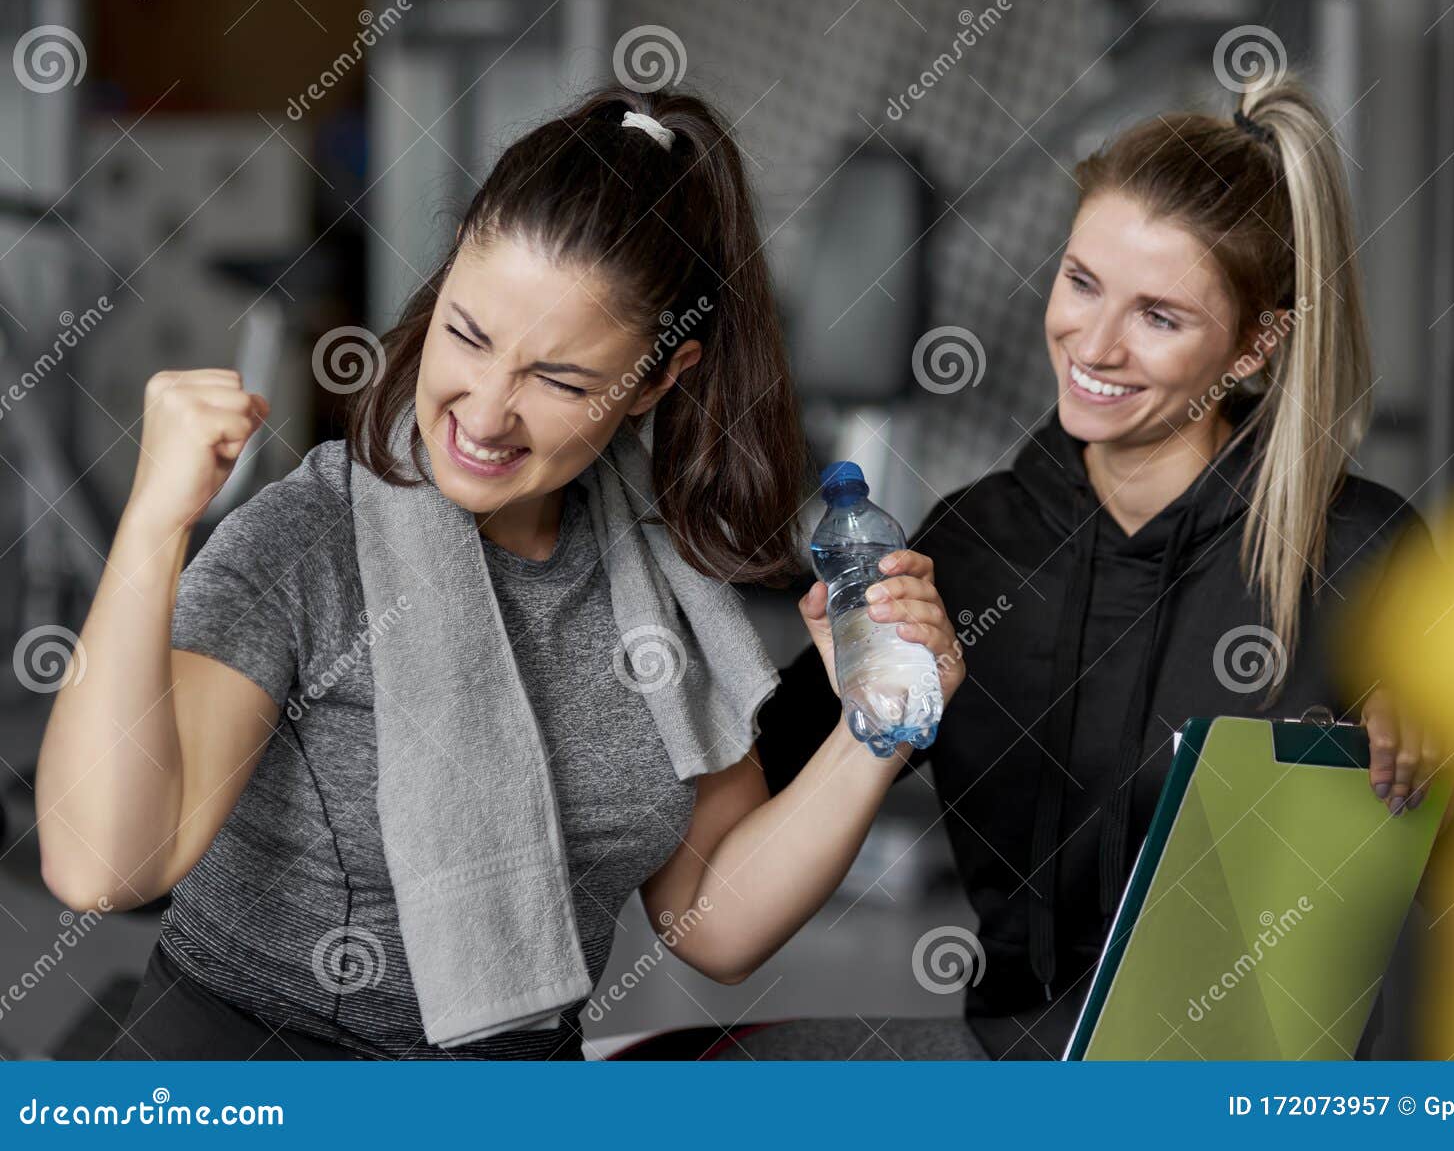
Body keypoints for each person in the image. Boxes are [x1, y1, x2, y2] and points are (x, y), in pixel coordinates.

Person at [34, 86, 965, 1061]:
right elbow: (103, 865)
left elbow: (711, 925)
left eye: (558, 379)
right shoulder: (311, 541)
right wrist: (154, 522)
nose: (482, 414)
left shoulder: (666, 582)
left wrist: (875, 732)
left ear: (657, 378)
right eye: (467, 336)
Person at [748, 73, 1438, 1060]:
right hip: (1017, 1062)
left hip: (1256, 1089)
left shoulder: (1365, 554)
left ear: (1254, 345)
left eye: (1159, 316)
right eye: (1081, 282)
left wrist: (1436, 734)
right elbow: (747, 798)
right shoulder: (973, 542)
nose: (1094, 343)